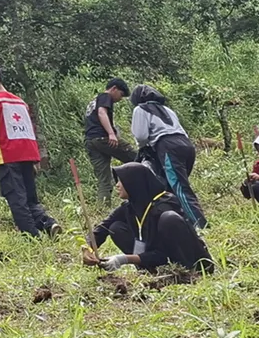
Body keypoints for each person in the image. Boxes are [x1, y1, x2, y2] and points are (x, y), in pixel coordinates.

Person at [0, 64, 61, 237]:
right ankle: (48, 224)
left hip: (8, 155)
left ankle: (31, 236)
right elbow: (29, 129)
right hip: (27, 154)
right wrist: (35, 159)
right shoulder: (19, 101)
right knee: (29, 196)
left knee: (16, 198)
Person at [84, 162, 214, 274]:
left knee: (169, 219)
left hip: (183, 261)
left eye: (121, 181)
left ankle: (187, 271)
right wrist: (87, 248)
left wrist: (123, 259)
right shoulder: (130, 206)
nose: (117, 185)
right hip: (155, 258)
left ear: (134, 183)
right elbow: (103, 227)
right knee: (115, 228)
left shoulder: (165, 206)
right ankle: (148, 270)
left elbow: (164, 254)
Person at [129, 84, 207, 229]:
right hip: (186, 145)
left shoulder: (140, 109)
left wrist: (142, 148)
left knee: (180, 187)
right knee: (169, 186)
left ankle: (199, 224)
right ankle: (179, 221)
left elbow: (141, 135)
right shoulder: (168, 110)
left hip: (167, 146)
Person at [83, 78, 135, 205]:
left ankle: (103, 206)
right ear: (114, 89)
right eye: (121, 95)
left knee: (103, 178)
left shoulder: (94, 101)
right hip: (102, 138)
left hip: (90, 141)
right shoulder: (105, 97)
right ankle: (145, 190)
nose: (120, 98)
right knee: (136, 158)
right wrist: (111, 133)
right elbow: (102, 113)